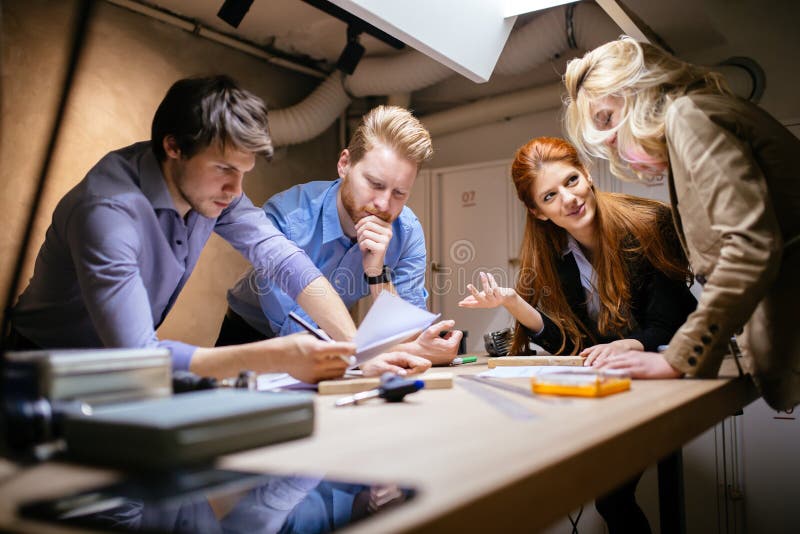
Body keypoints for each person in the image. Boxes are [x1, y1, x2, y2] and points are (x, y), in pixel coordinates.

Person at [9, 75, 428, 383]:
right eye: (225, 169)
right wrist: (276, 356)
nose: (235, 190)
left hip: (118, 366)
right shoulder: (107, 214)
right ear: (174, 147)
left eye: (243, 172)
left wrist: (354, 352)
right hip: (42, 365)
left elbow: (286, 262)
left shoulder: (215, 192)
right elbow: (137, 353)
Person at [458, 136, 696, 533]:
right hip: (614, 382)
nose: (568, 199)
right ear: (538, 212)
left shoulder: (650, 224)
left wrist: (634, 341)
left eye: (571, 181)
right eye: (550, 196)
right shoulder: (557, 255)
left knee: (613, 499)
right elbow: (576, 346)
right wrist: (514, 302)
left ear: (587, 174)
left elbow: (678, 315)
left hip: (662, 375)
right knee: (608, 498)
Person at [563, 36, 800, 410]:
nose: (609, 138)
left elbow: (750, 247)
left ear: (638, 90)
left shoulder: (688, 116)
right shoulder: (697, 114)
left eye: (607, 118)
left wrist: (678, 358)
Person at [220, 105, 462, 365]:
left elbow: (409, 335)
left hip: (339, 338)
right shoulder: (287, 219)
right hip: (250, 334)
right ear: (344, 164)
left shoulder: (407, 231)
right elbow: (299, 334)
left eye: (399, 193)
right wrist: (390, 351)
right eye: (375, 184)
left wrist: (378, 274)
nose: (383, 203)